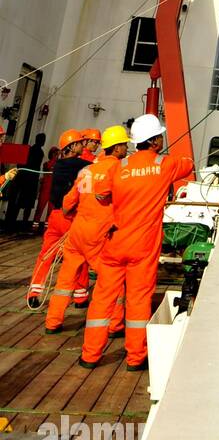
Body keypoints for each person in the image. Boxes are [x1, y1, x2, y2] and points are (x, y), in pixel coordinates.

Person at [80, 114, 194, 372]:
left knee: (101, 299)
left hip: (116, 242)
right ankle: (135, 358)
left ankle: (90, 355)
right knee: (139, 300)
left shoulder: (118, 166)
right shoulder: (164, 164)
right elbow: (188, 163)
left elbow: (101, 195)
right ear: (154, 140)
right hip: (143, 246)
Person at [44, 125, 130, 335]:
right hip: (98, 235)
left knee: (64, 280)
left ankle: (52, 322)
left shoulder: (87, 170)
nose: (126, 148)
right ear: (117, 148)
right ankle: (115, 324)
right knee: (113, 280)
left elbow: (67, 203)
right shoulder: (119, 169)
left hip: (77, 232)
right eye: (125, 145)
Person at [26, 131, 90, 309]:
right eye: (79, 143)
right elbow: (90, 167)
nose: (82, 146)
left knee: (46, 255)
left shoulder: (59, 164)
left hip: (55, 216)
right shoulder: (81, 165)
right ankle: (80, 296)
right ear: (71, 147)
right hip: (71, 217)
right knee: (79, 256)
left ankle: (34, 292)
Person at [5, 132, 46, 227]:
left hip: (25, 178)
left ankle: (14, 222)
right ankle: (20, 223)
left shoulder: (31, 150)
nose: (43, 141)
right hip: (29, 180)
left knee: (21, 202)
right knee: (24, 202)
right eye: (42, 139)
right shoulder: (37, 151)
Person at [33, 146, 59, 228]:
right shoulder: (47, 164)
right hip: (45, 189)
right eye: (55, 154)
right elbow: (48, 167)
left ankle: (46, 228)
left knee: (50, 211)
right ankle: (35, 226)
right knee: (40, 208)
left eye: (57, 154)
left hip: (53, 190)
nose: (57, 155)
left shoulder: (59, 165)